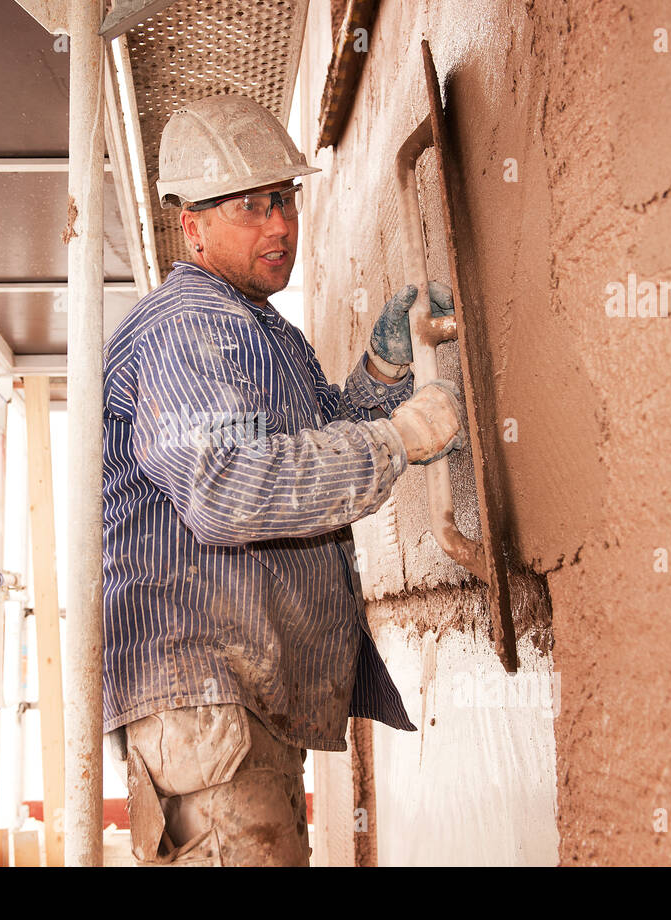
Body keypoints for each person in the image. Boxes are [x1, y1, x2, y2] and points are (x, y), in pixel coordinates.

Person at [101, 93, 465, 866]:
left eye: (283, 199)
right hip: (207, 703)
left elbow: (308, 439)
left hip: (234, 703)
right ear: (190, 224)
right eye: (249, 208)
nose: (279, 226)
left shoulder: (256, 326)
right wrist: (396, 438)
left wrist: (384, 372)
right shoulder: (190, 327)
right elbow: (228, 488)